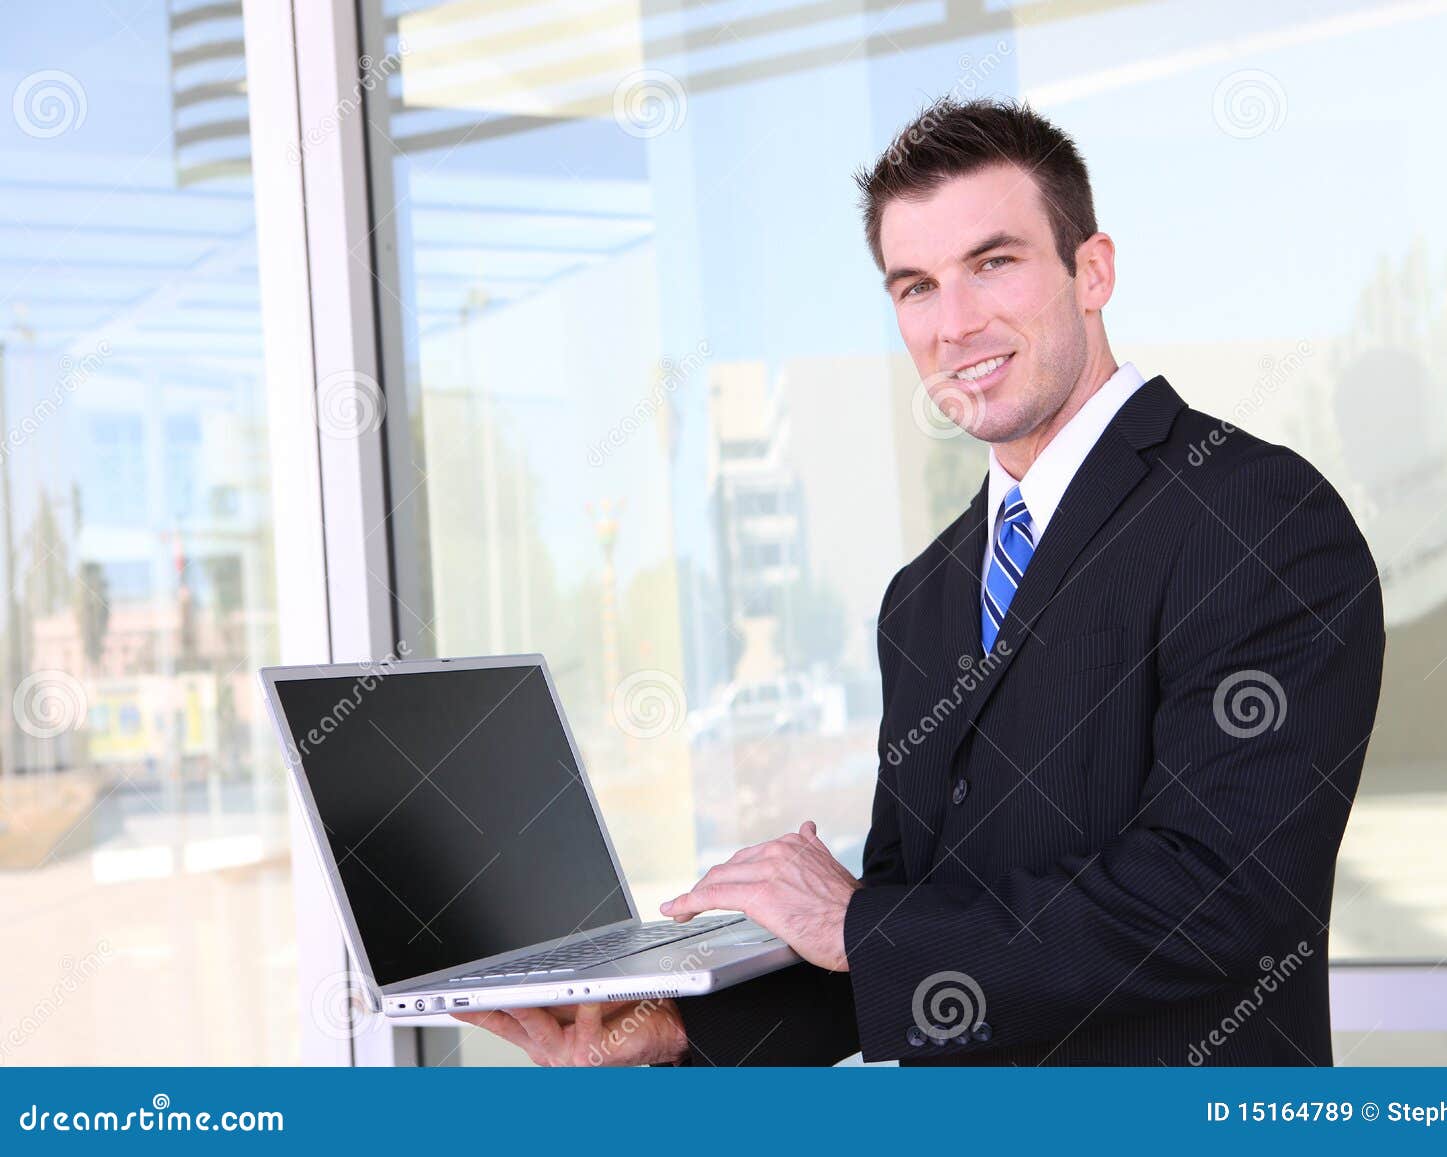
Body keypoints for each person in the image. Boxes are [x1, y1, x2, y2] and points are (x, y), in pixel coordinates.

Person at [457, 96, 1385, 1066]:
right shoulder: (926, 593)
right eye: (914, 286)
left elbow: (1216, 896)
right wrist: (677, 1028)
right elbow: (909, 939)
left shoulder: (1256, 517)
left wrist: (855, 920)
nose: (955, 323)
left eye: (993, 263)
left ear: (1092, 269)